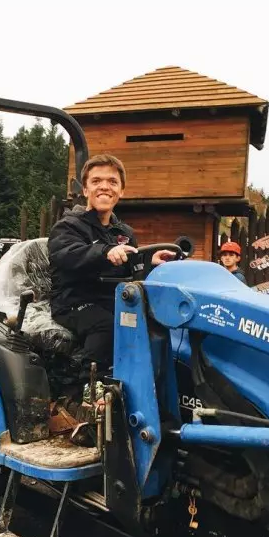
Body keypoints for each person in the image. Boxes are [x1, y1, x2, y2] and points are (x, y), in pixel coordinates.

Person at [48, 154, 175, 384]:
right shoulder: (67, 226)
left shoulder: (123, 233)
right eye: (96, 181)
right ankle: (87, 391)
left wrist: (149, 261)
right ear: (85, 190)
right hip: (73, 302)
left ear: (121, 191)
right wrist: (104, 252)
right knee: (107, 325)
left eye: (112, 182)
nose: (104, 186)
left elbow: (131, 265)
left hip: (112, 299)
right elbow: (67, 255)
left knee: (154, 324)